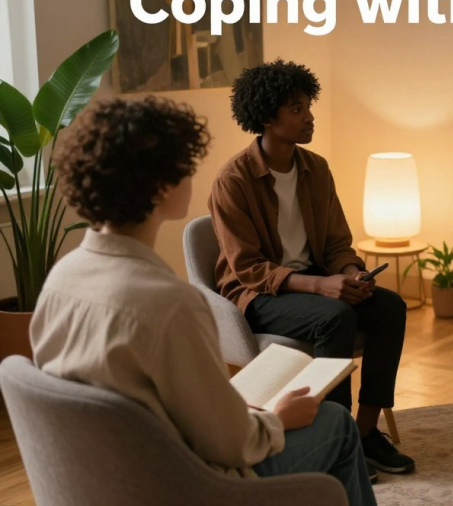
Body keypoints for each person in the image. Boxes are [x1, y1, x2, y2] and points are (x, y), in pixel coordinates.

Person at [30, 97, 375, 504]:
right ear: (163, 186)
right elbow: (232, 445)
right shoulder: (170, 304)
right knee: (334, 421)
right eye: (186, 165)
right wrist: (277, 420)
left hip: (108, 478)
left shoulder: (60, 279)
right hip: (185, 484)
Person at [208, 59, 414, 478]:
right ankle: (335, 443)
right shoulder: (234, 180)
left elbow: (337, 242)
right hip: (262, 294)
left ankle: (366, 432)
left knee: (390, 307)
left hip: (317, 279)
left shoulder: (315, 168)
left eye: (308, 106)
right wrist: (320, 287)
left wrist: (352, 271)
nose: (309, 117)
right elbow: (248, 268)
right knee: (334, 317)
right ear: (267, 118)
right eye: (297, 110)